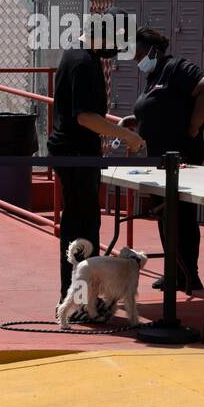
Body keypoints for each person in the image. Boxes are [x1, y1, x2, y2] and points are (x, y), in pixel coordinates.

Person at [48, 16, 146, 300]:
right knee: (81, 228)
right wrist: (127, 136)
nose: (116, 51)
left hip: (74, 153)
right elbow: (86, 117)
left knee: (82, 224)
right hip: (76, 154)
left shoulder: (76, 55)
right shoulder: (83, 63)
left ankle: (83, 295)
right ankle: (78, 298)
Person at [121, 27, 204, 293]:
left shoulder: (175, 67)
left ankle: (189, 274)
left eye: (139, 54)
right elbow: (160, 109)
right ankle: (174, 271)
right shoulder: (154, 75)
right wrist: (136, 120)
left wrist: (193, 127)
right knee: (166, 216)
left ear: (153, 50)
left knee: (182, 217)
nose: (136, 61)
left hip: (181, 159)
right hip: (159, 161)